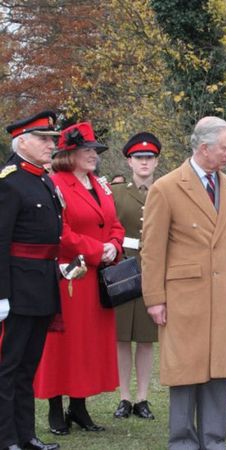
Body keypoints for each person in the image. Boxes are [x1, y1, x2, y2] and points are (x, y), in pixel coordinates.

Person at [141, 116, 226, 449]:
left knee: (220, 375)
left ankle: (214, 443)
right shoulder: (167, 187)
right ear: (204, 148)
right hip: (184, 300)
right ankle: (183, 444)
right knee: (185, 376)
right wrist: (154, 299)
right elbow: (152, 250)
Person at [33, 122, 123, 436]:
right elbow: (61, 232)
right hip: (70, 278)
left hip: (97, 279)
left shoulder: (100, 184)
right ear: (68, 154)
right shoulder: (55, 183)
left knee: (87, 345)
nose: (92, 156)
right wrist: (99, 249)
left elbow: (114, 222)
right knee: (63, 345)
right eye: (86, 151)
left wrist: (114, 244)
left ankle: (79, 406)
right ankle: (56, 408)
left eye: (94, 151)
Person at [0, 111, 62, 450]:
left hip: (42, 287)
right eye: (44, 139)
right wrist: (1, 295)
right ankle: (6, 437)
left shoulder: (42, 179)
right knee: (7, 367)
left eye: (52, 139)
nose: (50, 145)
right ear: (22, 141)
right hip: (17, 290)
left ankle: (26, 435)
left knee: (27, 367)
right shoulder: (9, 181)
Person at [110, 132, 161, 421]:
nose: (144, 162)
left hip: (153, 269)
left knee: (145, 337)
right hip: (123, 269)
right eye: (139, 158)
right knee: (120, 338)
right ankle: (124, 397)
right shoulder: (115, 193)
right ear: (129, 161)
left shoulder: (165, 190)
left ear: (156, 161)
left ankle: (143, 398)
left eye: (149, 158)